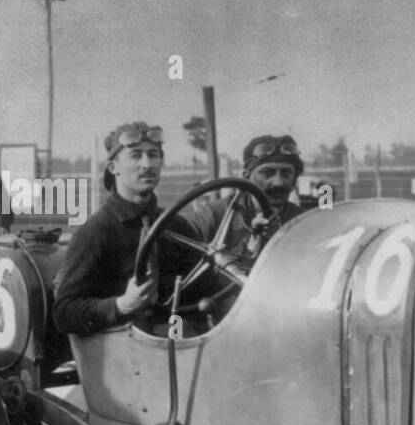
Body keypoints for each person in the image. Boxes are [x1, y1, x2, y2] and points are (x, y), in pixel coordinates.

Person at [53, 121, 202, 336]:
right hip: (125, 354)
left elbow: (208, 290)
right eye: (135, 156)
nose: (147, 164)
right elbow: (65, 313)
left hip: (177, 341)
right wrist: (121, 305)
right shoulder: (96, 231)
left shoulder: (177, 225)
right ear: (113, 167)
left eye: (153, 155)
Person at [183, 133, 311, 260]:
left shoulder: (302, 222)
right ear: (246, 177)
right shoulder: (212, 216)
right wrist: (253, 240)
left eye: (286, 173)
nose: (278, 182)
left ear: (295, 181)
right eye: (267, 173)